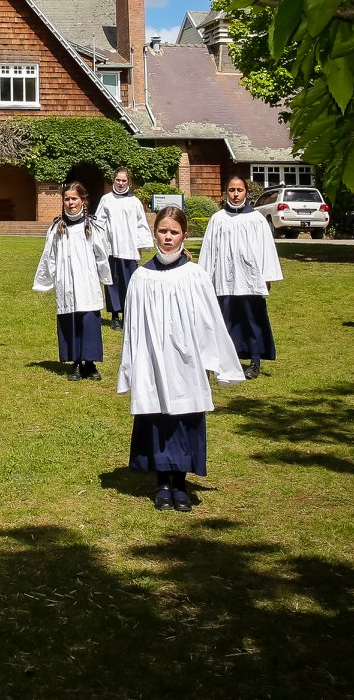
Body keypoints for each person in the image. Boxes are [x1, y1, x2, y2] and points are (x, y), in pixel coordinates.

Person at [118, 205, 245, 512]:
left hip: (187, 361)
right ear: (154, 233)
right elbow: (132, 327)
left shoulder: (195, 275)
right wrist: (133, 367)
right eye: (163, 231)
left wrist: (211, 361)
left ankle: (181, 482)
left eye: (174, 232)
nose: (168, 238)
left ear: (184, 236)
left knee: (186, 417)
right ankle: (162, 482)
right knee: (158, 417)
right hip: (153, 361)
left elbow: (209, 320)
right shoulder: (141, 277)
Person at [200, 175, 285, 378]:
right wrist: (204, 278)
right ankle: (224, 360)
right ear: (226, 192)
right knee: (224, 320)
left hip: (249, 281)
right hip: (224, 281)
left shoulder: (256, 219)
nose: (236, 195)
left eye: (239, 190)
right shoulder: (218, 219)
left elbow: (266, 250)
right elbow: (209, 251)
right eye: (232, 190)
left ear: (246, 192)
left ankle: (254, 361)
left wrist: (267, 277)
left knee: (251, 320)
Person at [32, 181, 111, 380]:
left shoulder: (91, 227)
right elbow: (48, 256)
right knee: (71, 319)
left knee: (88, 319)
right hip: (66, 281)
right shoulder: (57, 228)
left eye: (74, 198)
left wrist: (104, 276)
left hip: (87, 280)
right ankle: (75, 362)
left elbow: (101, 254)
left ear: (83, 200)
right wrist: (49, 279)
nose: (70, 203)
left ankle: (90, 363)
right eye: (67, 199)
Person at [93, 168, 152, 330]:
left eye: (123, 181)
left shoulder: (135, 202)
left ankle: (129, 314)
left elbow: (141, 225)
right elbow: (99, 223)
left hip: (129, 249)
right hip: (111, 249)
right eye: (118, 180)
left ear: (129, 183)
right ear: (113, 181)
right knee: (112, 282)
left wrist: (141, 246)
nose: (120, 183)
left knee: (129, 283)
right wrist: (99, 244)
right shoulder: (106, 200)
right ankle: (115, 316)